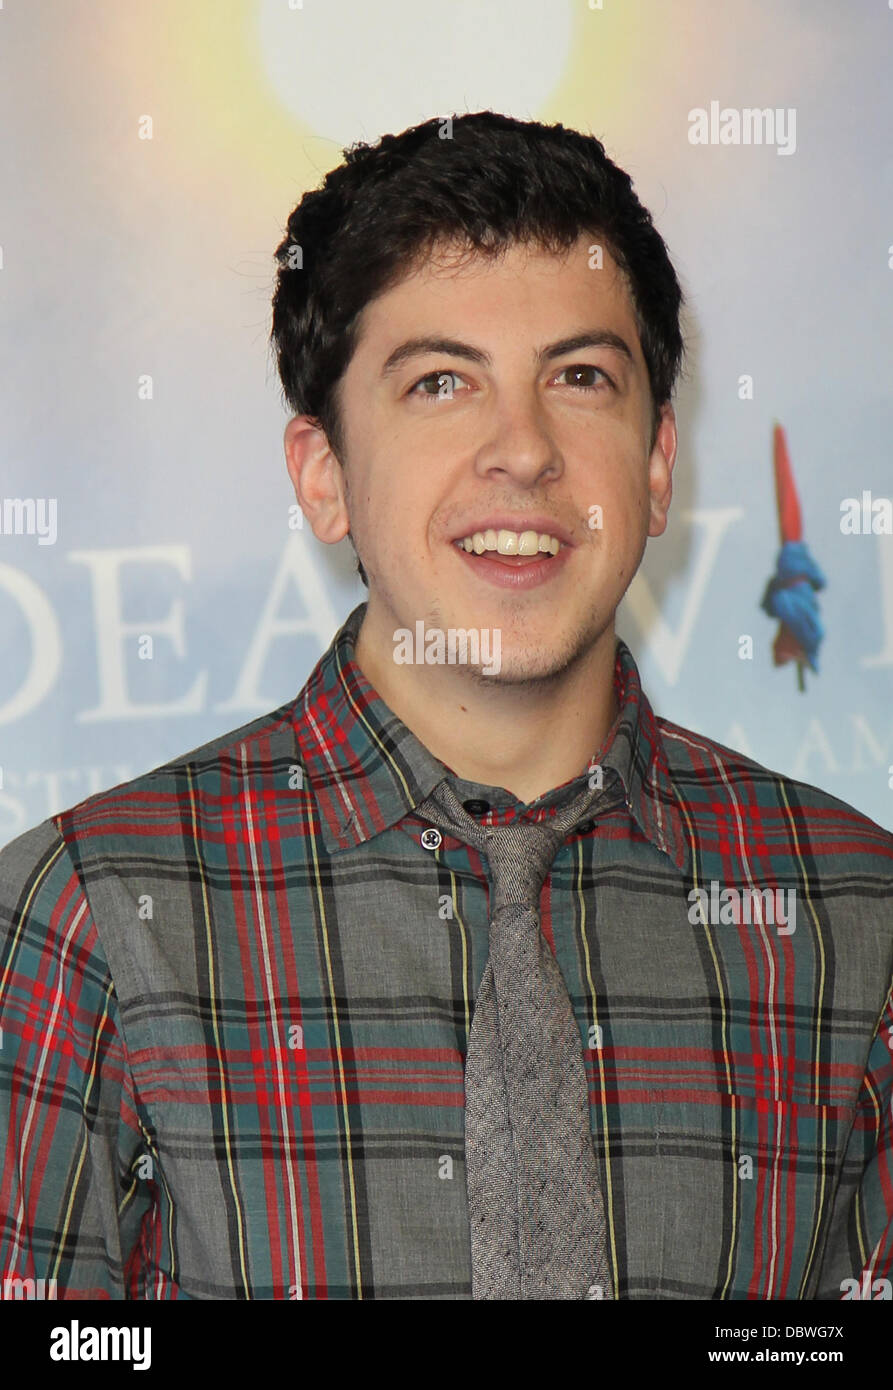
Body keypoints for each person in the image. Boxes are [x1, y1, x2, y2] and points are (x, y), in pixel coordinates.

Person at [1, 111, 890, 1302]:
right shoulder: (90, 917)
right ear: (324, 477)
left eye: (578, 378)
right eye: (438, 382)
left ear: (658, 462)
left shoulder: (853, 913)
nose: (520, 450)